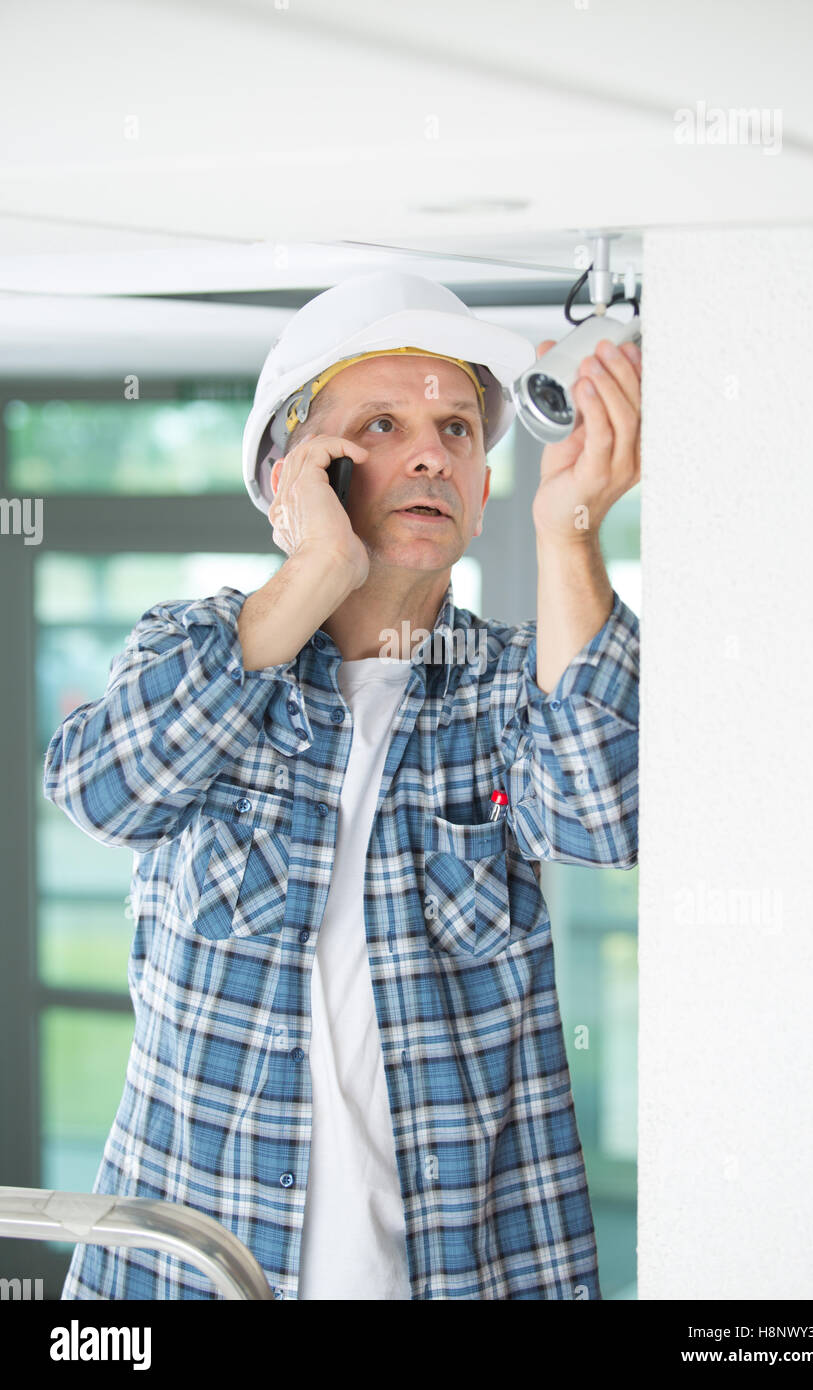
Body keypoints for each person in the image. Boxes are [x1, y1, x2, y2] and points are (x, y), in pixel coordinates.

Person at [44, 270, 641, 1300]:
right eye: (381, 422)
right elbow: (105, 793)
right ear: (299, 472)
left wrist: (570, 532)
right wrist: (317, 569)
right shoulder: (200, 653)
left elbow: (601, 816)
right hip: (192, 1283)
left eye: (458, 430)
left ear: (484, 485)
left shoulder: (503, 691)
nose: (430, 452)